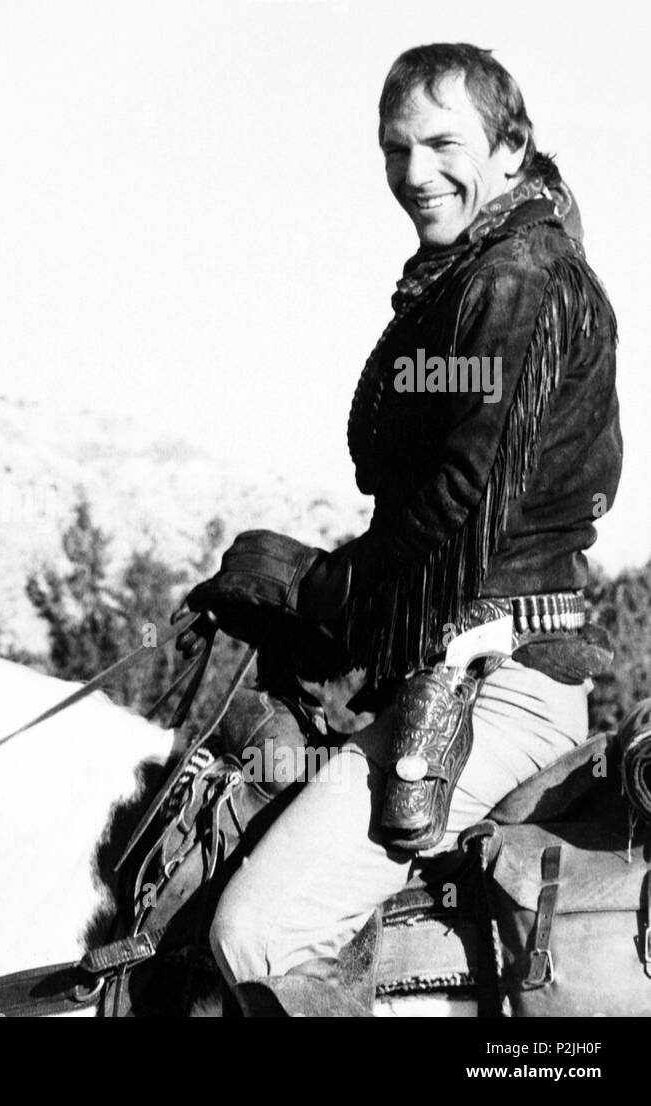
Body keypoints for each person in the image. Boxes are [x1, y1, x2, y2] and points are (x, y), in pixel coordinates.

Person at [178, 42, 622, 1015]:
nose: (414, 173)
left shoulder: (516, 280)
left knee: (257, 927)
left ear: (510, 149)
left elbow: (460, 505)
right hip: (450, 659)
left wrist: (310, 587)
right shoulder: (474, 274)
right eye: (394, 148)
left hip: (499, 682)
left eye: (440, 143)